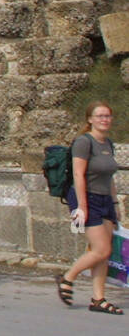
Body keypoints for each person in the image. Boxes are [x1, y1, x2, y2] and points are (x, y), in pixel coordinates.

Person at [56, 101, 123, 314]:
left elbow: (109, 177)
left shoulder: (108, 144)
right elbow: (78, 174)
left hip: (105, 200)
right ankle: (68, 277)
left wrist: (115, 204)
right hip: (86, 199)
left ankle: (98, 299)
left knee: (101, 252)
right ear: (90, 119)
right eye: (100, 116)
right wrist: (82, 207)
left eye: (108, 116)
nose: (105, 119)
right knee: (102, 249)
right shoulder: (84, 142)